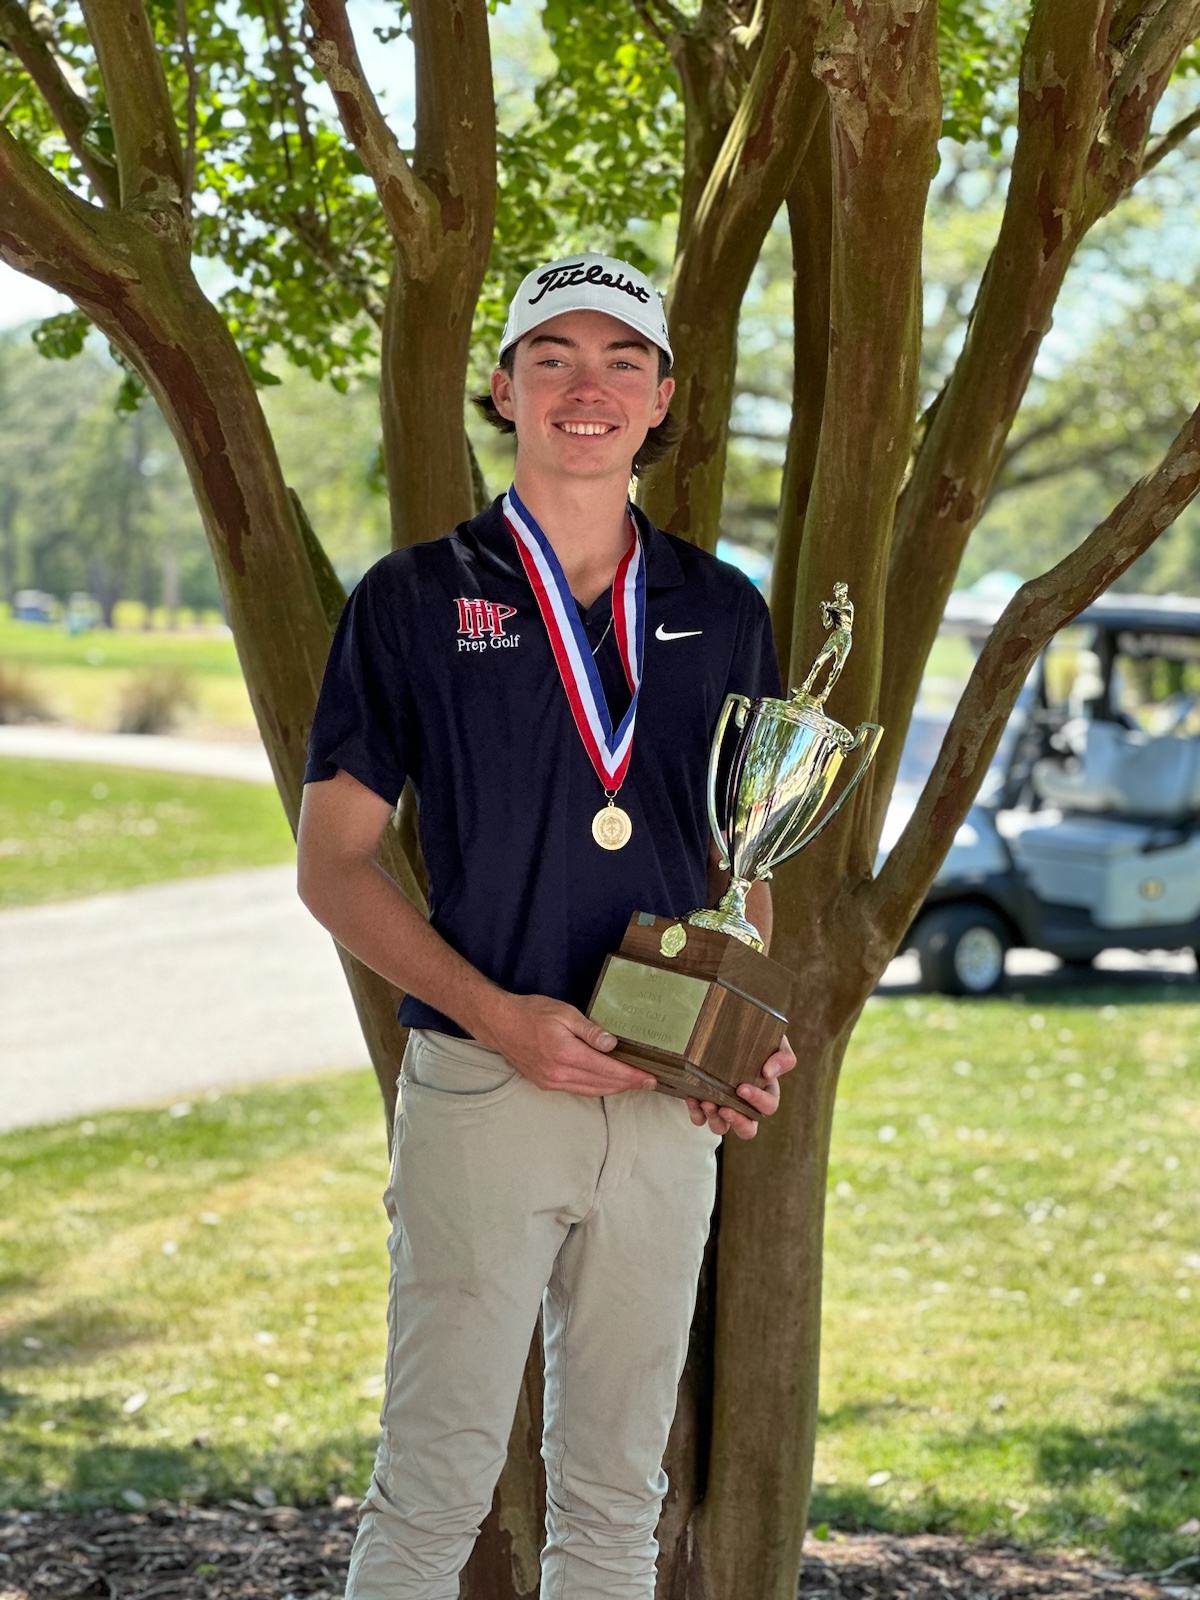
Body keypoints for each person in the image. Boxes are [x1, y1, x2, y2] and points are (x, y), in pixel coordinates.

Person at [297, 251, 796, 1600]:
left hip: (659, 1102)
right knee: (433, 1492)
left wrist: (738, 1034)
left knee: (616, 1502)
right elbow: (333, 869)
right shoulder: (409, 599)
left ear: (662, 398)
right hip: (483, 1080)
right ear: (505, 388)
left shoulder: (724, 609)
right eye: (555, 358)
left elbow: (742, 866)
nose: (589, 386)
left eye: (621, 359)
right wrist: (496, 1016)